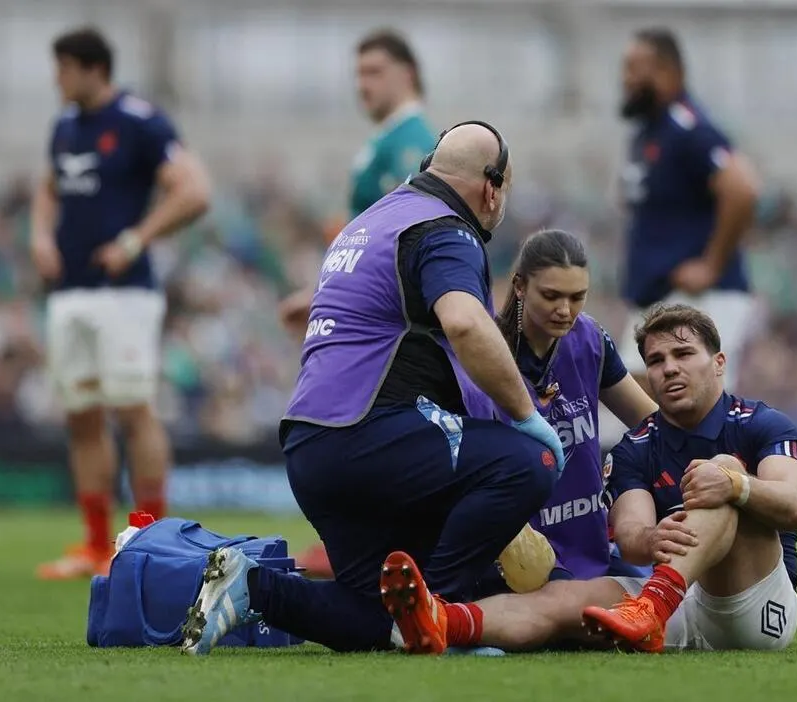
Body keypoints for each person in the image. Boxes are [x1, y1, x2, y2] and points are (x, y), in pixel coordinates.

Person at [181, 121, 565, 655]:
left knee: (375, 615)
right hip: (371, 434)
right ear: (491, 187)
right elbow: (465, 325)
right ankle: (443, 614)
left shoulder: (373, 220)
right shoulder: (446, 228)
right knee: (528, 463)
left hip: (310, 449)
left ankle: (251, 588)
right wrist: (527, 418)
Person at [380, 303, 797, 654]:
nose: (670, 369)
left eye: (683, 355)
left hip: (756, 608)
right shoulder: (635, 447)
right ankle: (441, 621)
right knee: (563, 599)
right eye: (657, 361)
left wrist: (735, 485)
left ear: (718, 363)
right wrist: (652, 538)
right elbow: (631, 537)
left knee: (722, 469)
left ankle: (651, 609)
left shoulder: (759, 423)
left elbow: (796, 507)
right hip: (677, 603)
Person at [31, 27, 211, 580]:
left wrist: (135, 240)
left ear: (92, 69)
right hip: (70, 293)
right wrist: (40, 235)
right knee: (82, 417)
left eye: (62, 68)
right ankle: (94, 545)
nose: (56, 79)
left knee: (134, 411)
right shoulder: (64, 127)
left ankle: (151, 541)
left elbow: (194, 190)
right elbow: (48, 187)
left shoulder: (140, 121)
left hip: (125, 293)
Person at [473, 228, 657, 596]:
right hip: (516, 552)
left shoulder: (590, 339)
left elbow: (650, 425)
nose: (565, 310)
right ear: (520, 286)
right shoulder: (484, 353)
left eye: (578, 297)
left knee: (665, 610)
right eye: (551, 296)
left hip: (589, 547)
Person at [614, 28, 760, 397]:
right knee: (634, 410)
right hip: (661, 302)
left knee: (688, 410)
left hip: (696, 303)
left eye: (635, 68)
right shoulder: (652, 132)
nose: (626, 79)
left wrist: (711, 264)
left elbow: (742, 188)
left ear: (666, 72)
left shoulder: (687, 127)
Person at [278, 29, 436, 344]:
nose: (362, 85)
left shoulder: (411, 142)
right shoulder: (386, 139)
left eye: (374, 72)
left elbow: (408, 228)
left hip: (381, 316)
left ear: (408, 74)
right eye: (359, 74)